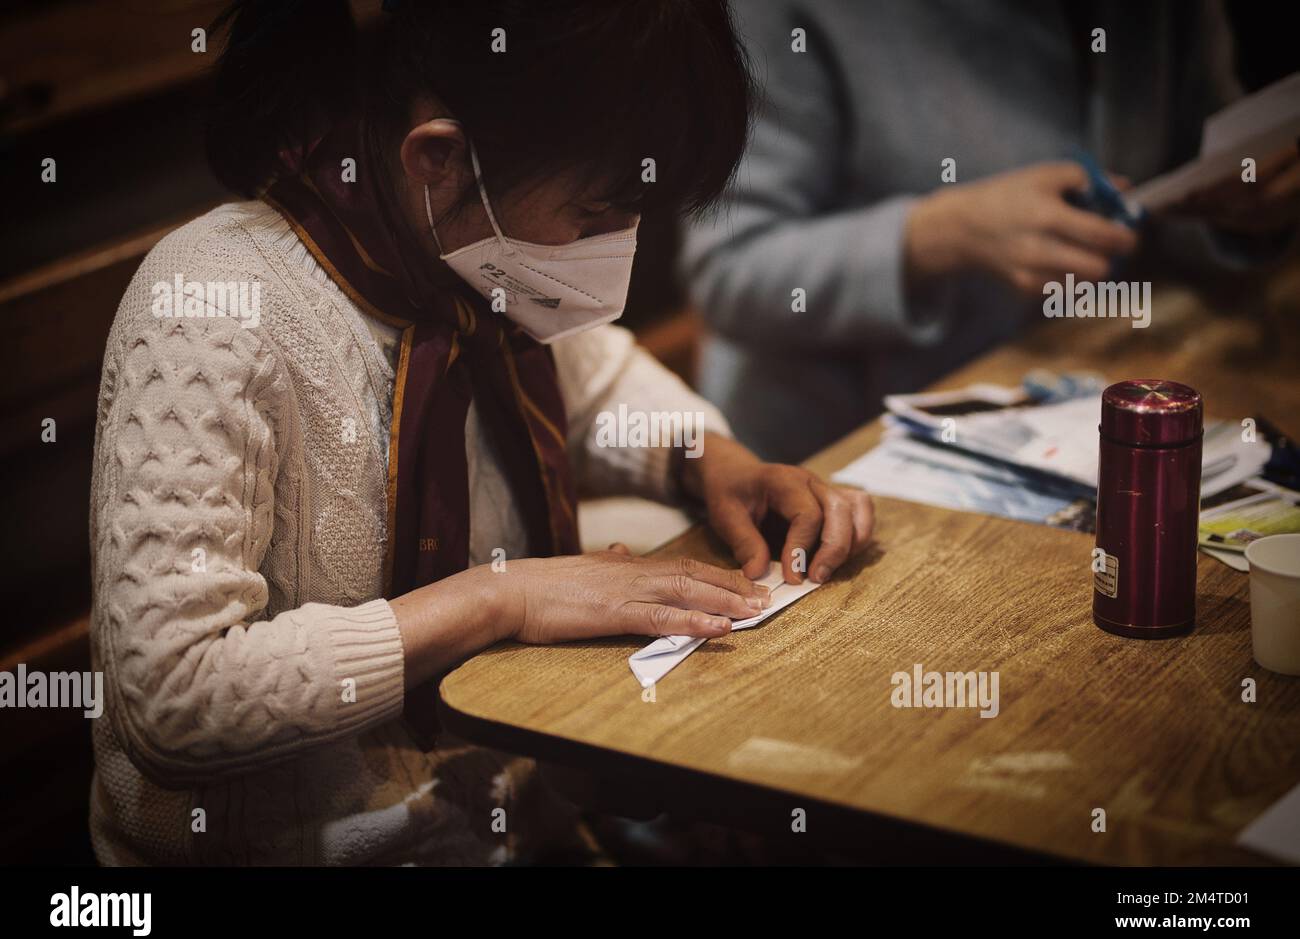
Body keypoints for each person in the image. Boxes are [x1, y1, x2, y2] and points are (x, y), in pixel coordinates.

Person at [88, 0, 874, 865]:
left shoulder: (453, 249)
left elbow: (591, 376)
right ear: (439, 157)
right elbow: (173, 696)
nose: (624, 248)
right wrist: (503, 598)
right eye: (599, 213)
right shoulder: (212, 309)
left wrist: (709, 458)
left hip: (513, 828)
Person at [681, 0, 1300, 463]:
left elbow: (1185, 180)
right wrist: (936, 234)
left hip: (1091, 395)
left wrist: (1244, 216)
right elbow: (729, 270)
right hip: (839, 452)